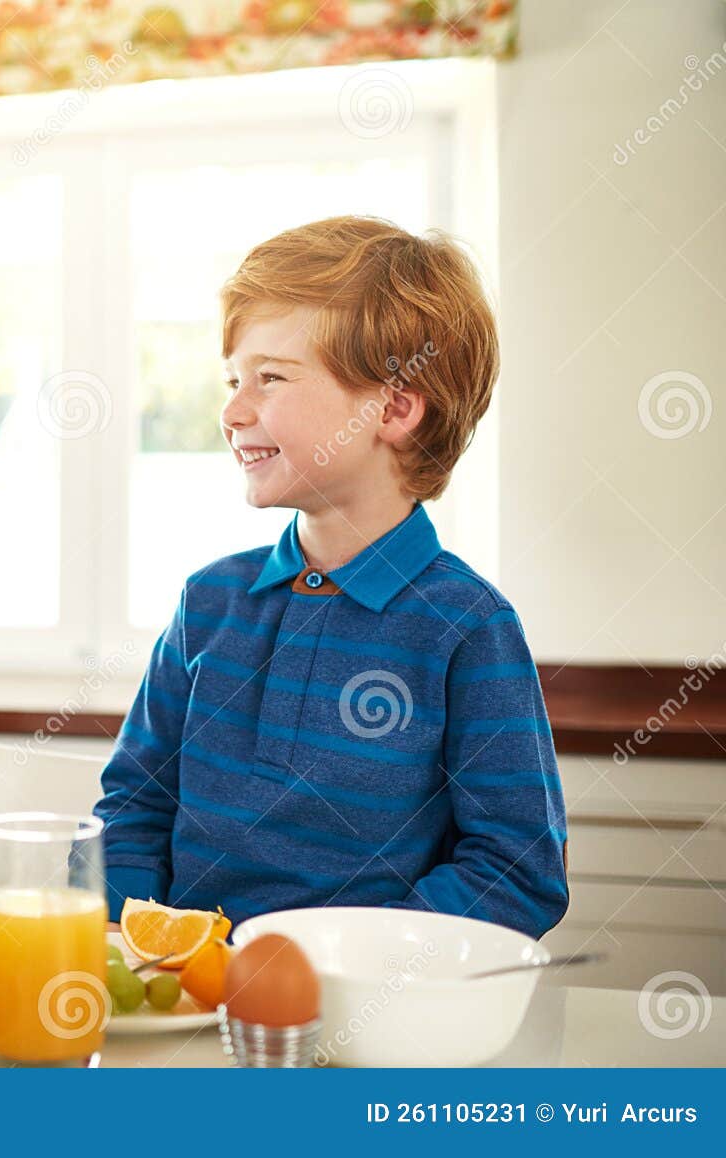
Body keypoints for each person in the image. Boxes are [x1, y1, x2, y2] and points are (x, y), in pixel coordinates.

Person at [95, 216, 569, 938]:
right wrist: (131, 936)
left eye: (271, 378)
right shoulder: (210, 601)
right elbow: (133, 806)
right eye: (232, 380)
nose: (231, 411)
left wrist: (351, 962)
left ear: (397, 406)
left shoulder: (467, 626)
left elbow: (516, 870)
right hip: (181, 1005)